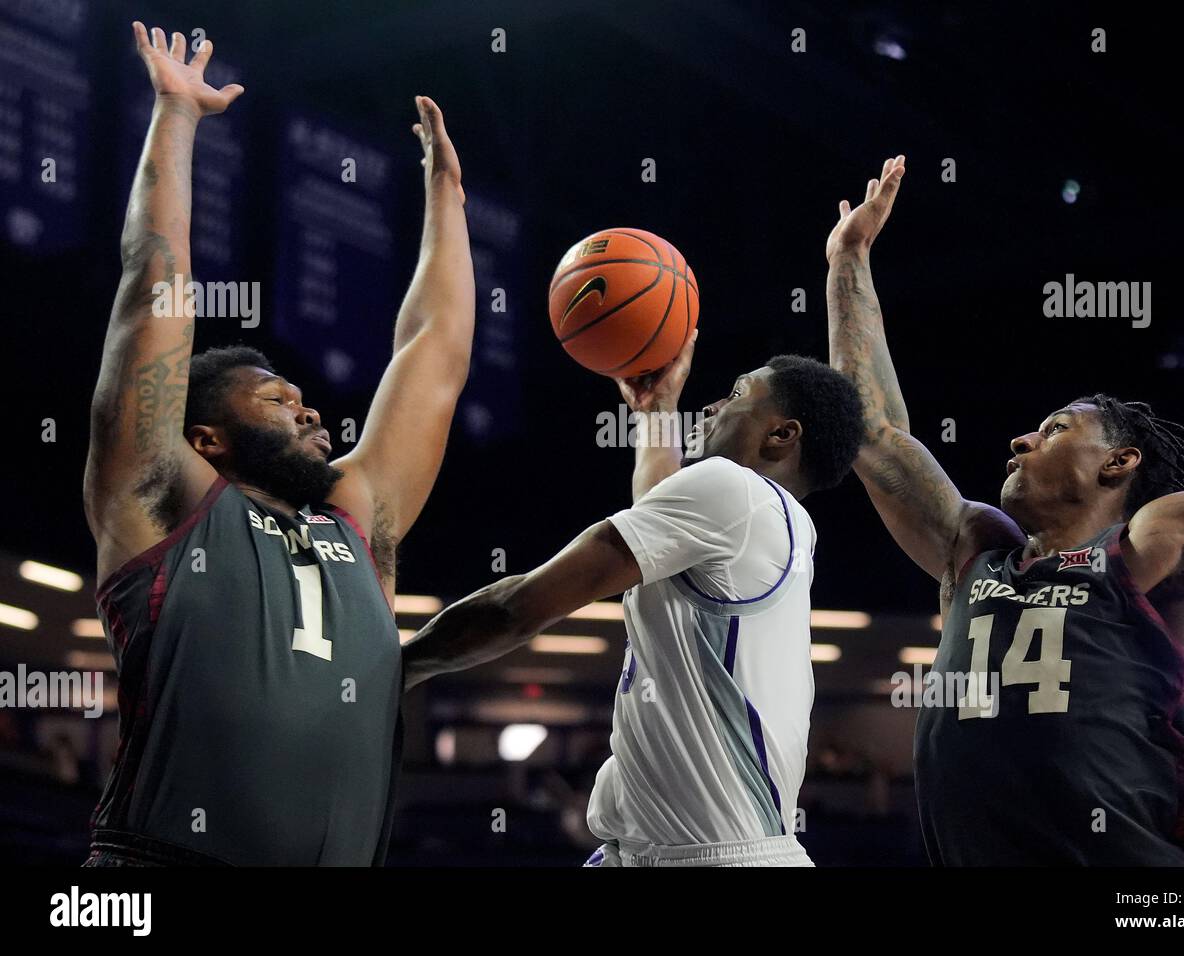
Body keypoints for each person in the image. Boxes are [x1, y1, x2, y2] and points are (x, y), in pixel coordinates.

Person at [827, 153, 1184, 864]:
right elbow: (870, 431)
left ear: (1119, 461)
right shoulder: (974, 548)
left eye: (1054, 429)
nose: (1019, 440)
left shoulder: (1150, 546)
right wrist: (848, 261)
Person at [82, 23, 475, 865]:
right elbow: (154, 284)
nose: (309, 412)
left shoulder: (355, 521)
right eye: (277, 398)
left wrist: (447, 200)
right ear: (203, 436)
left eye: (303, 399)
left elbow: (434, 355)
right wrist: (177, 117)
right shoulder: (167, 497)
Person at [403, 336, 866, 866]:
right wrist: (657, 412)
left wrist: (398, 669)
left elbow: (520, 605)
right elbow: (657, 514)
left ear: (782, 434)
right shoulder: (771, 521)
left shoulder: (731, 491)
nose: (714, 404)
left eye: (738, 394)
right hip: (676, 852)